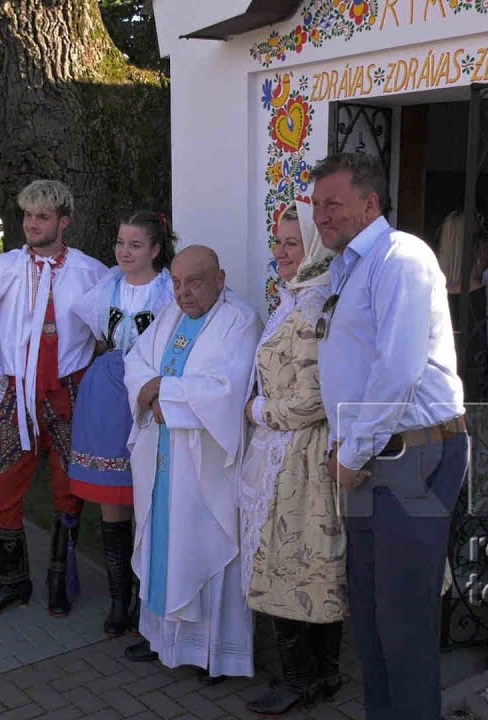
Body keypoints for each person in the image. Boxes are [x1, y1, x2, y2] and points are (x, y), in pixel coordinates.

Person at [312, 152, 469, 720]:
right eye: (316, 205)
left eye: (334, 204)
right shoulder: (348, 267)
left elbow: (396, 371)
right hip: (373, 454)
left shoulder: (400, 257)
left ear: (370, 202)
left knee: (403, 620)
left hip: (412, 455)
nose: (321, 216)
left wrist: (351, 451)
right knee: (373, 614)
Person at [0, 179, 108, 620]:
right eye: (27, 215)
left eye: (42, 216)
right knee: (1, 484)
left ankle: (61, 578)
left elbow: (108, 335)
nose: (32, 224)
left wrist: (90, 382)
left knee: (67, 488)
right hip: (15, 392)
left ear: (63, 221)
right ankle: (12, 582)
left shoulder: (92, 272)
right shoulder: (2, 268)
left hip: (67, 394)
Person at [122, 245, 261, 682]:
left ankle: (214, 656)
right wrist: (152, 389)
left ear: (219, 280)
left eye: (194, 282)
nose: (183, 292)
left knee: (205, 547)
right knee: (166, 544)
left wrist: (163, 392)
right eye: (178, 282)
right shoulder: (170, 316)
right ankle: (164, 640)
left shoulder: (239, 321)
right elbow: (135, 361)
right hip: (165, 459)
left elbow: (226, 388)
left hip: (206, 465)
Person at [240, 200, 347, 714]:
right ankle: (322, 675)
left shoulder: (311, 306)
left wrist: (258, 409)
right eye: (277, 242)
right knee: (311, 566)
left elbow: (313, 398)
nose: (280, 252)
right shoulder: (299, 297)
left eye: (291, 243)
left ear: (314, 247)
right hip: (294, 450)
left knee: (291, 564)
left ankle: (300, 679)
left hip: (300, 452)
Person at [68, 211, 174, 636]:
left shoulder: (168, 290)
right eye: (119, 243)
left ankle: (146, 600)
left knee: (148, 498)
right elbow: (97, 336)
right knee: (112, 500)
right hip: (109, 391)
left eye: (134, 245)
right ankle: (118, 599)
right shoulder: (107, 287)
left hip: (150, 391)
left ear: (154, 249)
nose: (124, 252)